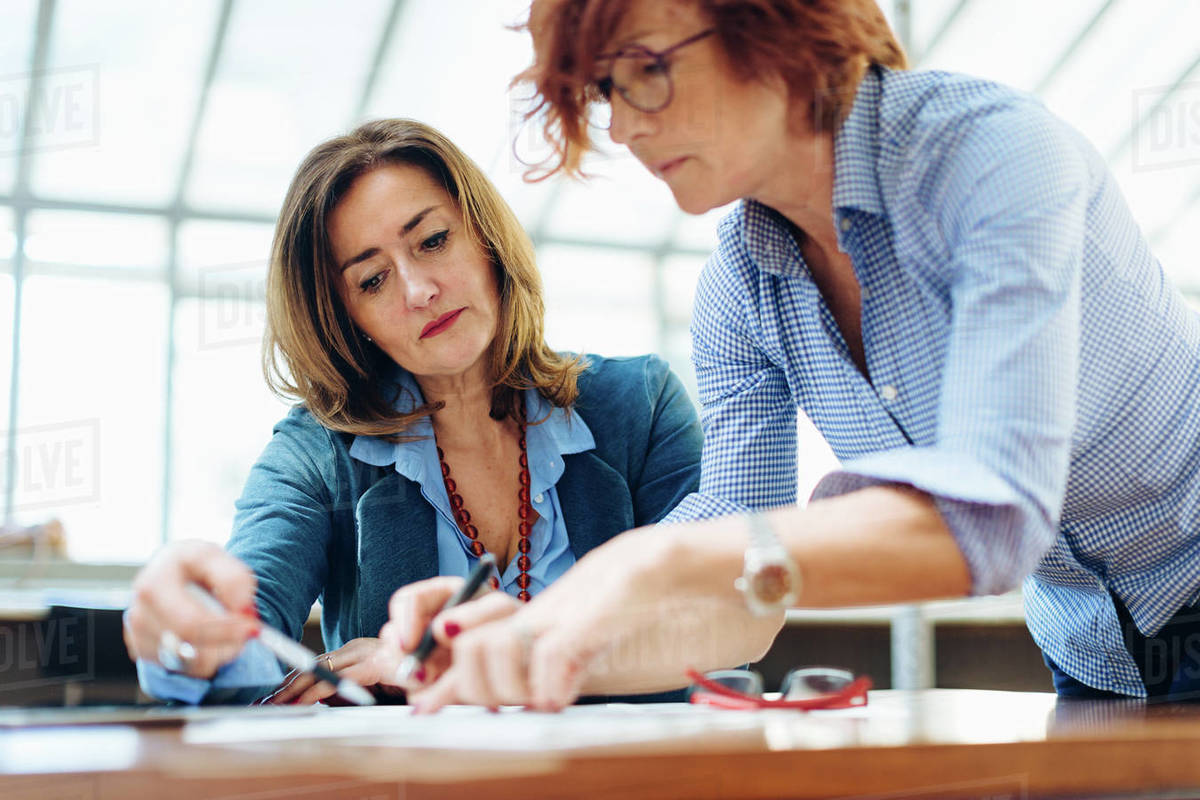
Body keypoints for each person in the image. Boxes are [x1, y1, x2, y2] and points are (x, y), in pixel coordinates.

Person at [390, 0, 1200, 711]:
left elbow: (992, 518)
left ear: (771, 21)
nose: (626, 126)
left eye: (643, 69)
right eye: (605, 92)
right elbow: (741, 582)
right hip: (1093, 650)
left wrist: (656, 557)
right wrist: (532, 639)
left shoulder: (991, 155)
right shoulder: (740, 287)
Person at [121, 118, 716, 705]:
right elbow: (247, 636)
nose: (417, 290)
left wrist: (497, 656)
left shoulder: (641, 404)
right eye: (374, 279)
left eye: (432, 241)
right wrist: (184, 636)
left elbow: (713, 623)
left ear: (485, 237)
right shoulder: (318, 453)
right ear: (346, 318)